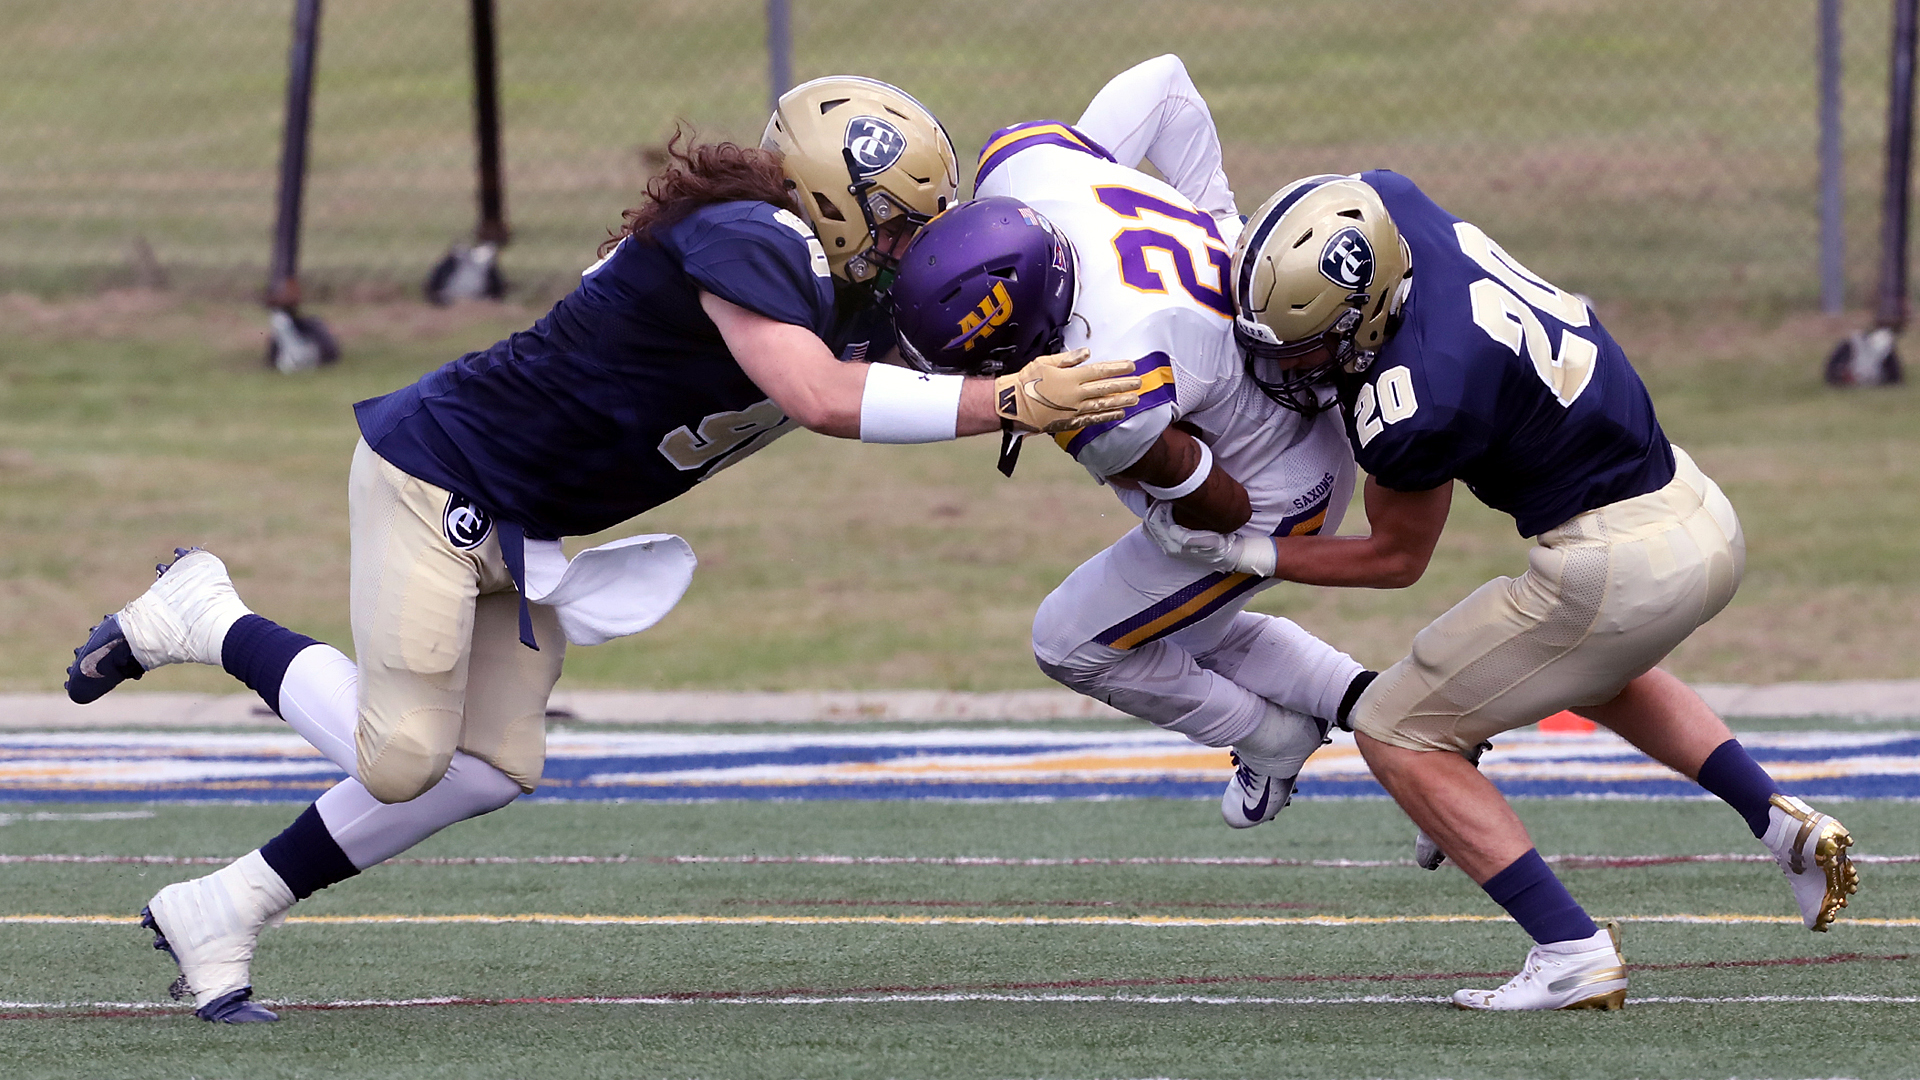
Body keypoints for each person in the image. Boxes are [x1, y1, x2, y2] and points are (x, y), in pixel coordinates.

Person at [62, 76, 1140, 1023]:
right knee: (401, 759)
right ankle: (205, 614)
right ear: (827, 191)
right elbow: (819, 396)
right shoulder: (747, 235)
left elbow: (944, 348)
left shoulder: (843, 284)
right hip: (437, 478)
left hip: (525, 518)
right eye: (897, 224)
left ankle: (225, 905)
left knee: (490, 768)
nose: (909, 247)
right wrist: (1007, 400)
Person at [1144, 169, 1861, 1010]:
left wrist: (1248, 550)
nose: (1284, 367)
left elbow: (1394, 558)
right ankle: (1783, 823)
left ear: (1365, 317)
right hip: (1698, 512)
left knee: (1395, 729)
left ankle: (1571, 951)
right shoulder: (1393, 208)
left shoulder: (1416, 399)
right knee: (1593, 670)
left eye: (1303, 348)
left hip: (1615, 565)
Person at [889, 55, 1374, 828]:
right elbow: (1165, 83)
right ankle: (1378, 708)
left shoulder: (1103, 386)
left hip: (1281, 483)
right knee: (1171, 624)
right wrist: (1221, 220)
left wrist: (1158, 506)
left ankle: (1271, 736)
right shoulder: (1024, 175)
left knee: (1072, 641)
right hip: (1271, 383)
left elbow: (1222, 506)